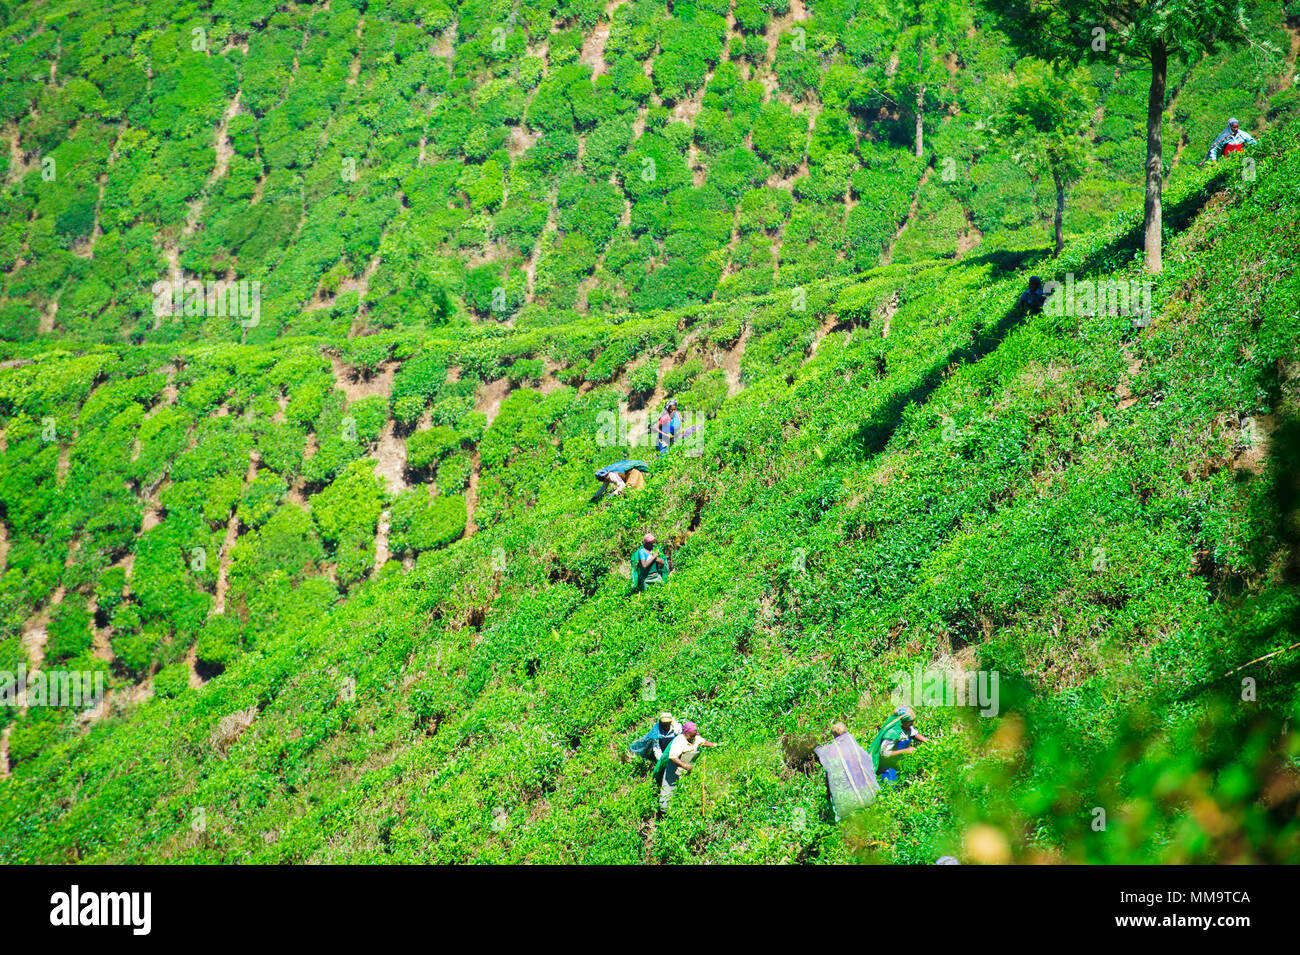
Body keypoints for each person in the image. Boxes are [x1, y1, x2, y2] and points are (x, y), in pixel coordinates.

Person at [814, 722, 880, 822]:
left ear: (833, 735)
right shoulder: (854, 746)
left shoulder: (832, 751)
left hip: (848, 794)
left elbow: (830, 772)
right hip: (863, 787)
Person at [653, 720, 717, 812]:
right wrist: (684, 765)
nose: (693, 737)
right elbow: (673, 757)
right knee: (669, 790)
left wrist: (715, 745)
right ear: (685, 733)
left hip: (685, 769)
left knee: (682, 790)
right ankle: (665, 812)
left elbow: (704, 742)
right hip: (674, 769)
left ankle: (680, 810)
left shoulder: (695, 738)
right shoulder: (679, 741)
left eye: (694, 735)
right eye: (691, 736)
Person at [869, 705, 929, 776]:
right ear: (902, 722)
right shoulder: (892, 733)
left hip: (899, 762)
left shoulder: (907, 727)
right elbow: (885, 754)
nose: (912, 724)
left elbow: (914, 734)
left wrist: (929, 742)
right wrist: (906, 751)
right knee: (891, 783)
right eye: (910, 722)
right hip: (888, 765)